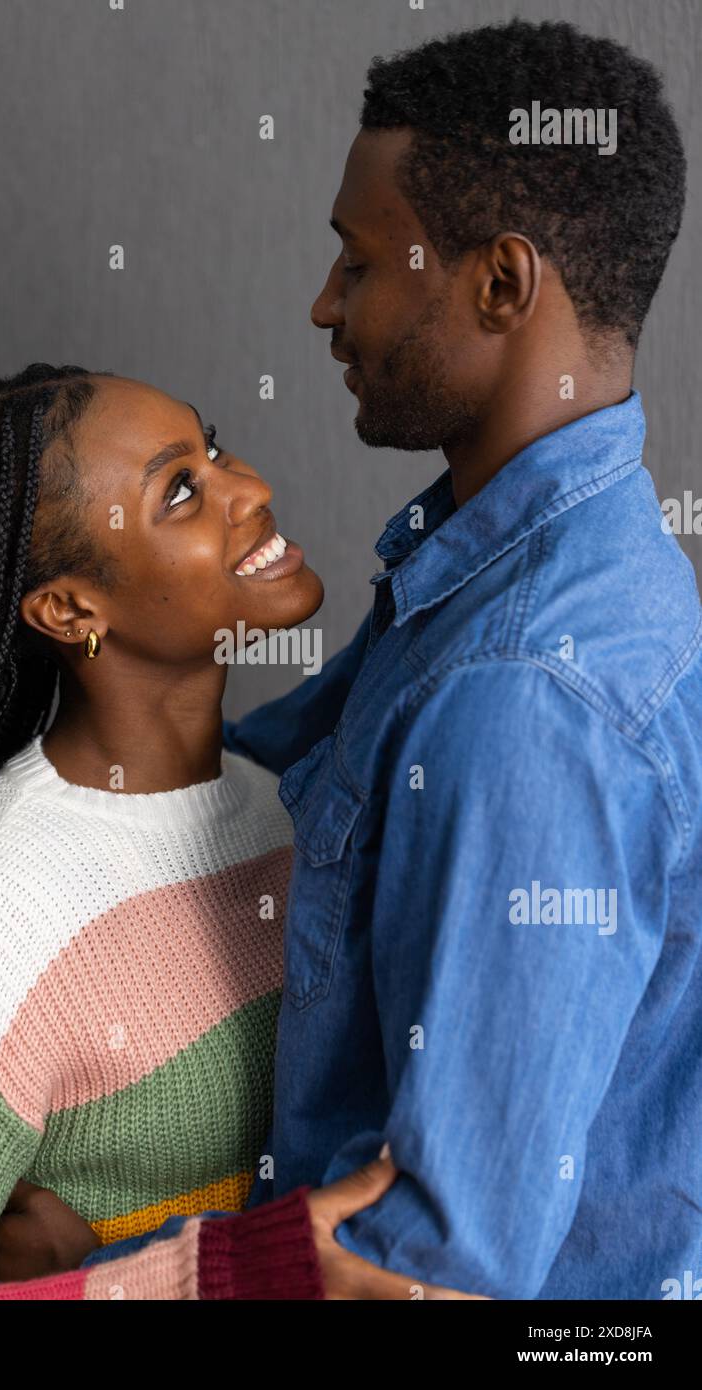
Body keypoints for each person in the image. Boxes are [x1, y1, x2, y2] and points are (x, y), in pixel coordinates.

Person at [220, 19, 701, 1301]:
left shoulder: (526, 700)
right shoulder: (538, 580)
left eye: (359, 261)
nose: (326, 306)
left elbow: (431, 1273)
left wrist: (108, 1277)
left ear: (500, 285)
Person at [0, 363, 419, 1300]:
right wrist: (192, 1277)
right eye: (180, 490)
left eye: (215, 446)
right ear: (71, 610)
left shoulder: (282, 805)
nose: (251, 489)